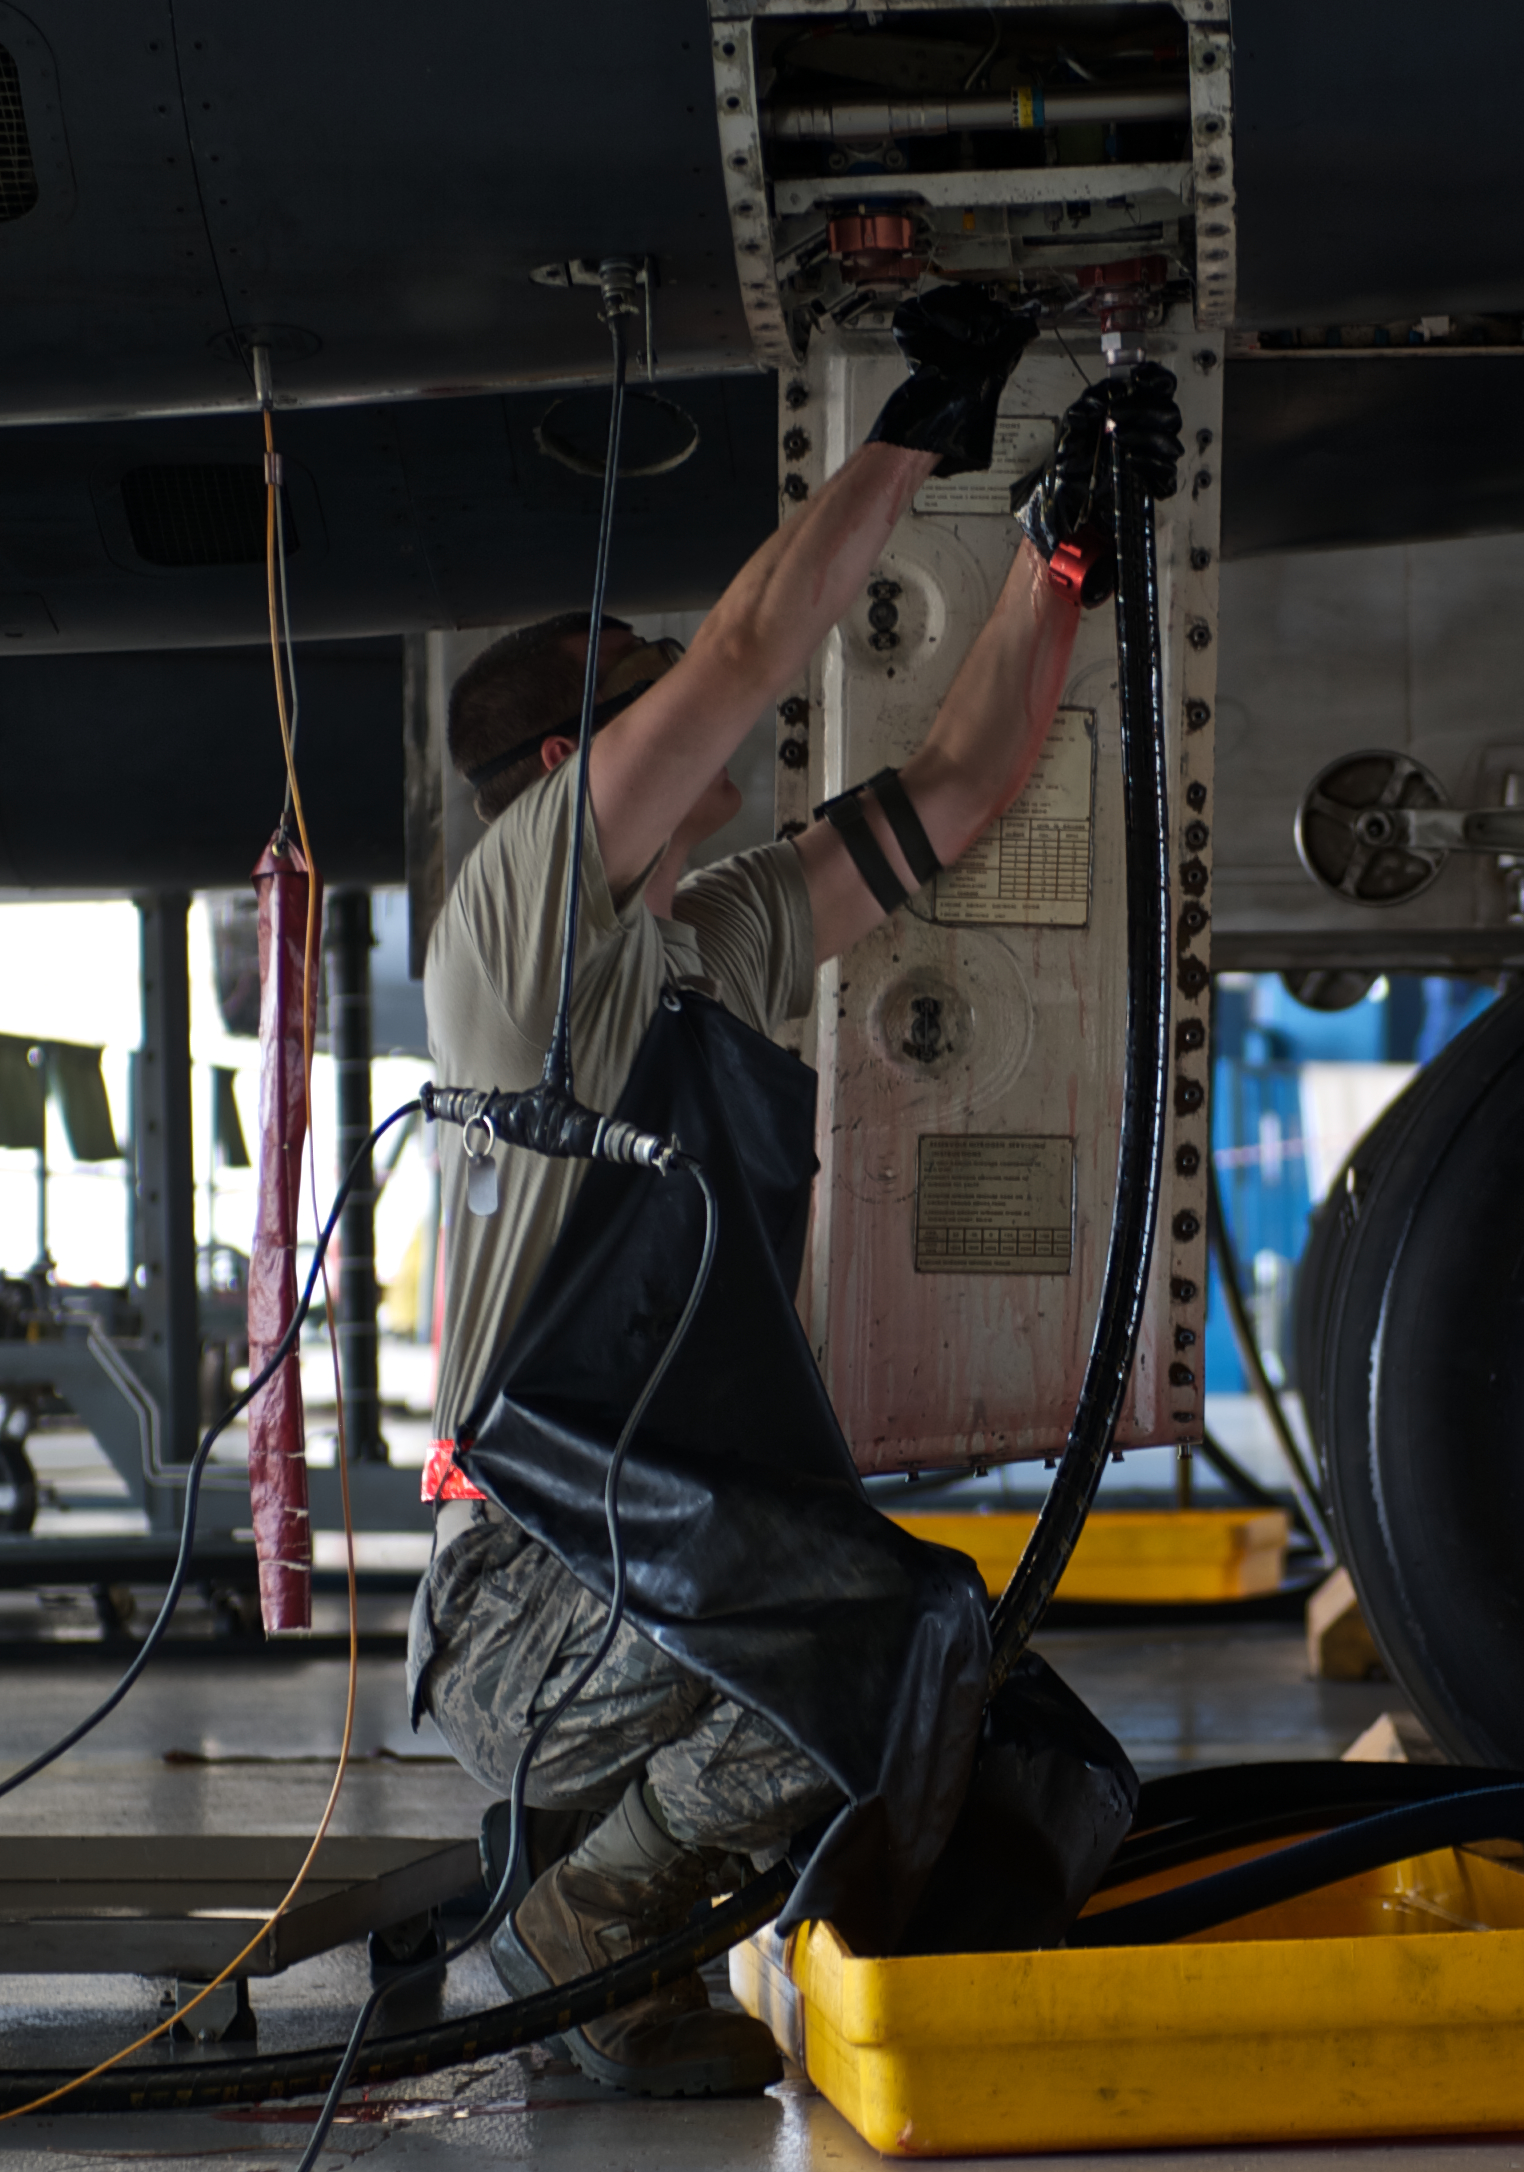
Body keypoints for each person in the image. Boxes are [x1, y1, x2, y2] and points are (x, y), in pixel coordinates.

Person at [412, 286, 1182, 2097]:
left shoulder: (708, 940)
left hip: (662, 1536)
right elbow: (760, 647)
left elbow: (960, 787)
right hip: (531, 1590)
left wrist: (1054, 565)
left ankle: (644, 1923)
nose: (692, 691)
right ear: (566, 770)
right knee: (873, 1642)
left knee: (960, 1683)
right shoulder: (524, 921)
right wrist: (925, 417)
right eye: (641, 685)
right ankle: (584, 1932)